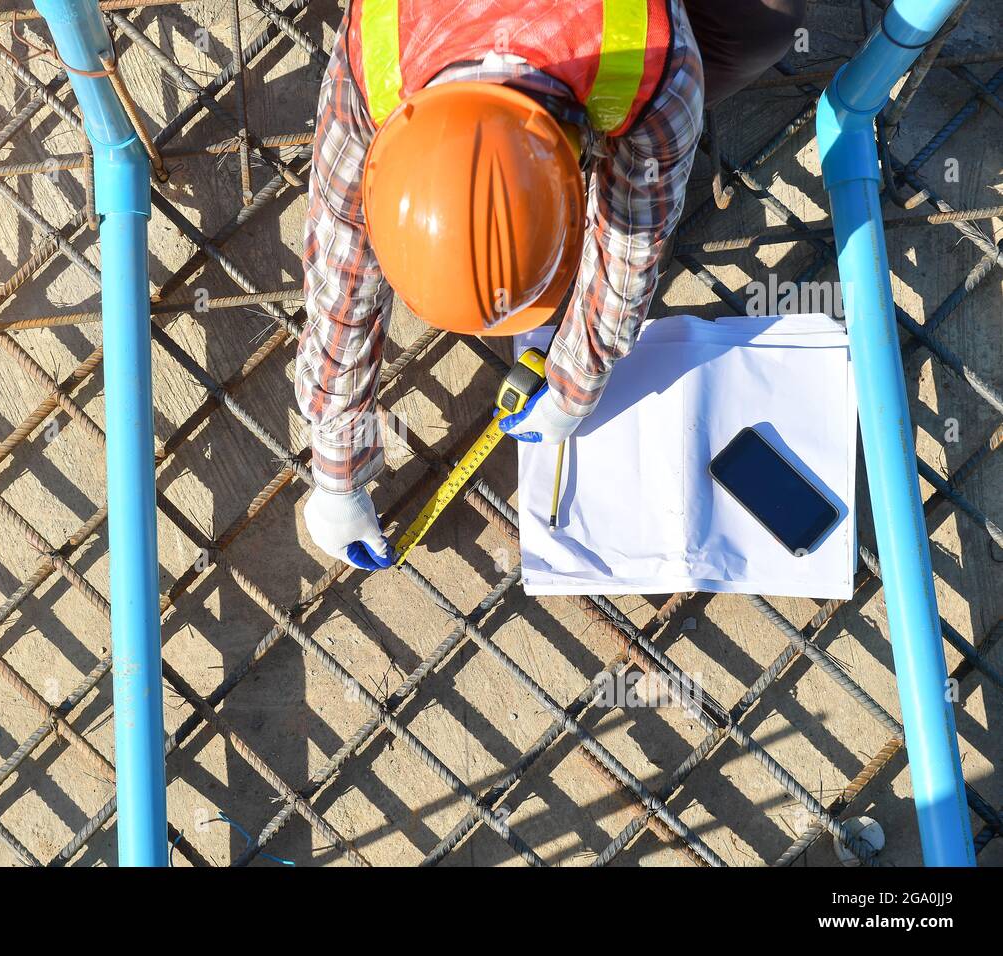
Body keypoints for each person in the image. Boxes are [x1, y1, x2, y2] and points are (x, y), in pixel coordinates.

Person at [295, 0, 808, 570]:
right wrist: (336, 468)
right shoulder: (375, 52)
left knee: (766, 25)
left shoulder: (657, 66)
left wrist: (578, 378)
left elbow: (631, 244)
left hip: (631, 50)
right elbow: (343, 277)